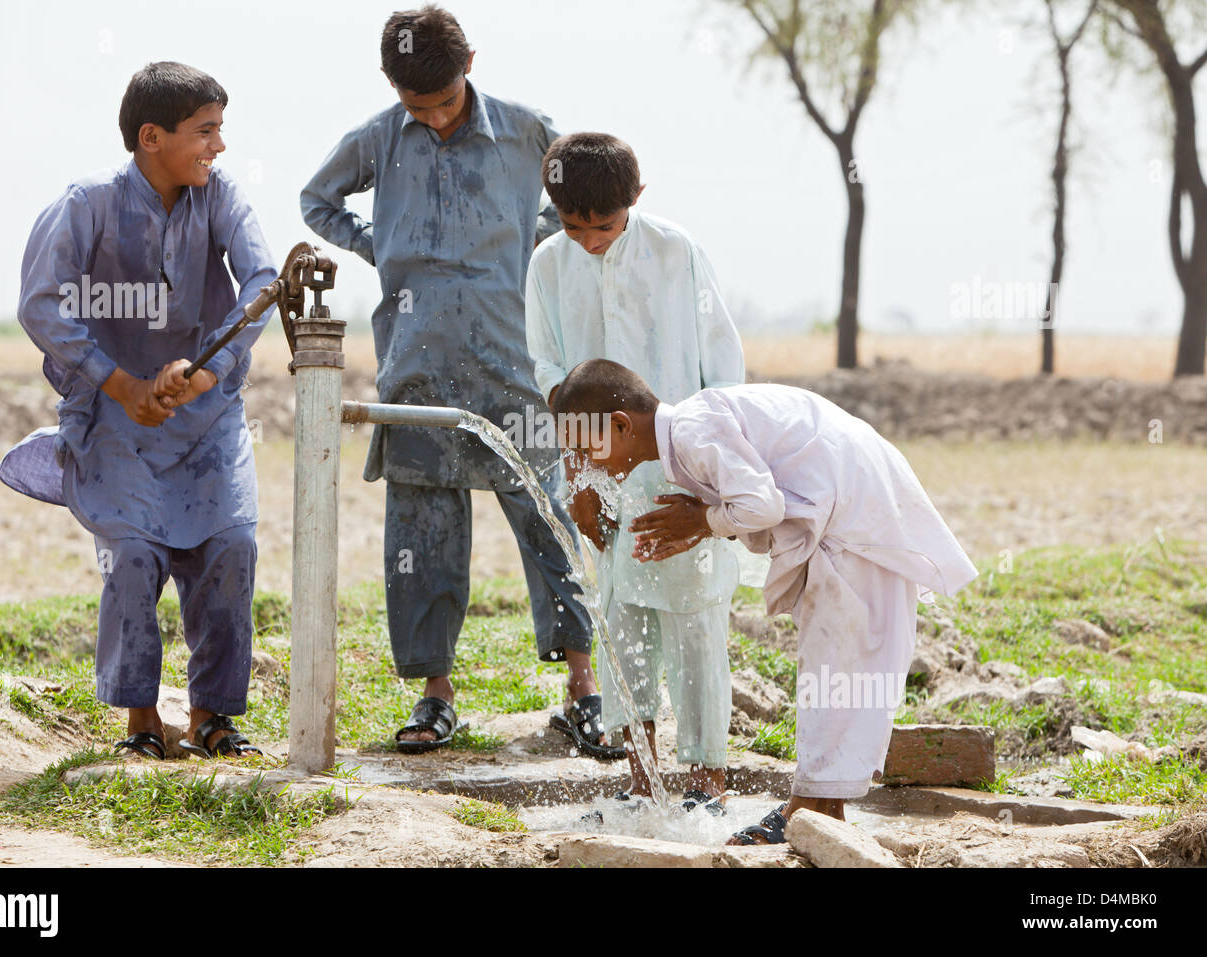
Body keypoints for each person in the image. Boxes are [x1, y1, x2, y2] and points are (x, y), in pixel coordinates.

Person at [299, 5, 619, 756]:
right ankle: (435, 695)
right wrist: (383, 247)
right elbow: (317, 201)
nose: (435, 116)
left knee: (551, 520)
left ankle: (585, 688)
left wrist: (529, 253)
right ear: (391, 87)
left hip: (517, 366)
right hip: (416, 367)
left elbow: (573, 205)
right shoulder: (378, 137)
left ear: (470, 62)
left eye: (444, 99)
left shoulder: (527, 131)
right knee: (423, 533)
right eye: (419, 105)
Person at [549, 359, 979, 842]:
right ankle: (819, 811)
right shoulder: (688, 431)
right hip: (848, 499)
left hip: (852, 508)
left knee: (837, 663)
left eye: (586, 450)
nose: (585, 466)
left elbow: (764, 505)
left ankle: (805, 810)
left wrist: (704, 522)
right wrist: (702, 522)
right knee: (841, 666)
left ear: (622, 427)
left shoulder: (691, 431)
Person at [0, 61, 278, 761]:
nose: (218, 146)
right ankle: (142, 720)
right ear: (152, 137)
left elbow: (265, 282)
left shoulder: (220, 200)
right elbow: (40, 302)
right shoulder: (85, 205)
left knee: (231, 547)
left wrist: (210, 370)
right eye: (205, 132)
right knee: (132, 555)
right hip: (118, 421)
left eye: (220, 130)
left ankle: (212, 716)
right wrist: (118, 383)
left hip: (207, 419)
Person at [525, 133, 745, 810]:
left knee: (699, 626)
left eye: (606, 226)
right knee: (622, 620)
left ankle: (708, 782)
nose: (590, 241)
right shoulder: (547, 266)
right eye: (574, 226)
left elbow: (721, 365)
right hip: (602, 470)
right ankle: (642, 781)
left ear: (636, 200)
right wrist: (579, 481)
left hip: (685, 466)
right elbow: (552, 377)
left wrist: (712, 478)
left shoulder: (676, 252)